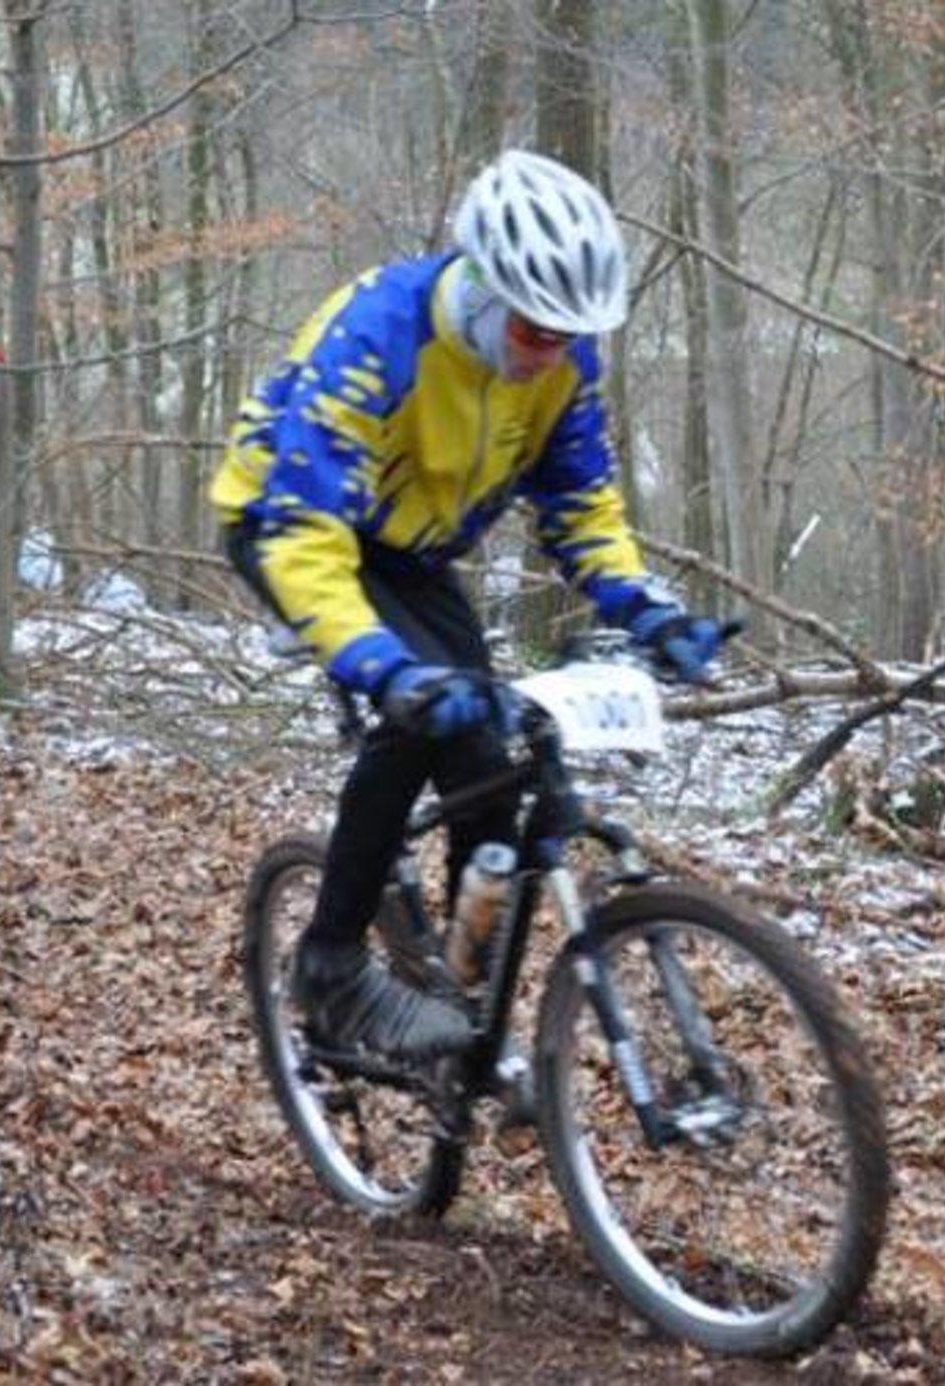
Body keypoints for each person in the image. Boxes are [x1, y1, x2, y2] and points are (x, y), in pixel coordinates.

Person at [212, 150, 724, 1061]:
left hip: (412, 550)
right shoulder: (378, 336)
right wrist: (385, 668)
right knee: (420, 715)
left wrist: (648, 610)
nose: (551, 353)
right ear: (482, 291)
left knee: (491, 765)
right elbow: (304, 533)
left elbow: (578, 505)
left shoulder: (559, 358)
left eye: (568, 335)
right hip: (289, 521)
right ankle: (328, 969)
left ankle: (456, 1005)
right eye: (535, 331)